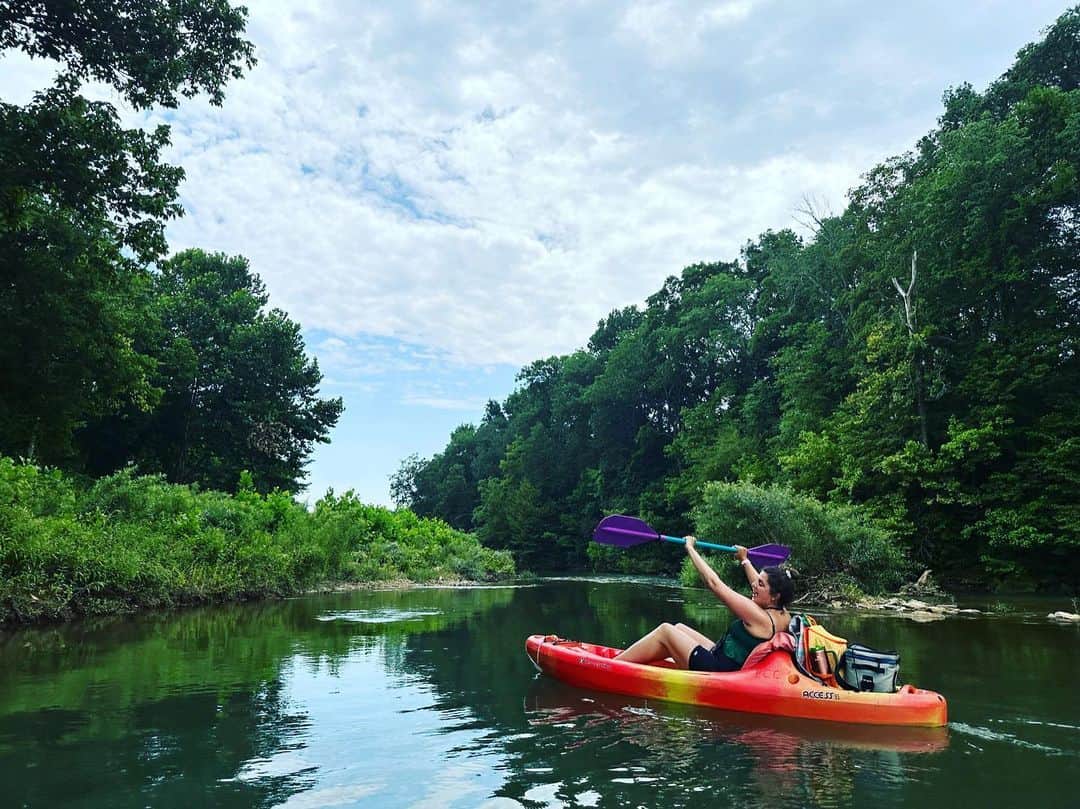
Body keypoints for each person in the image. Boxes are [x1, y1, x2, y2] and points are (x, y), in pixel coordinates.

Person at [613, 536, 794, 671]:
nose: (754, 584)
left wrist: (690, 548)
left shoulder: (758, 617)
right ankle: (645, 662)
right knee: (680, 628)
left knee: (666, 630)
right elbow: (760, 582)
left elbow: (714, 584)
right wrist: (744, 559)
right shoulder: (782, 613)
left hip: (717, 670)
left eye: (760, 584)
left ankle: (613, 666)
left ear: (774, 596)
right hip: (723, 659)